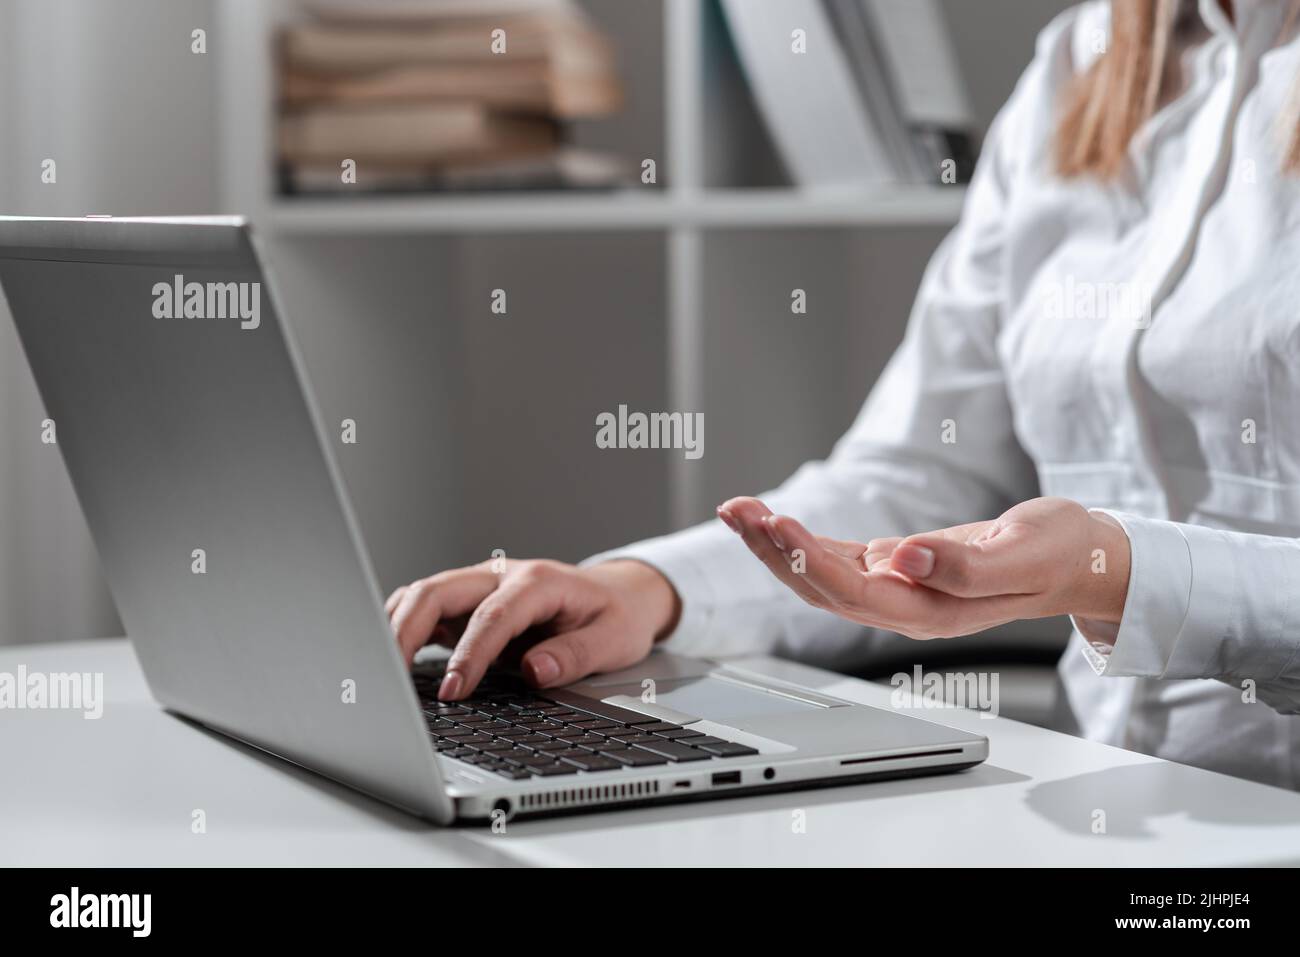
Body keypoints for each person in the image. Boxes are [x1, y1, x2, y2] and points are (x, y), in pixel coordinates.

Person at [386, 0, 1300, 790]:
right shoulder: (1081, 62)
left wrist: (1113, 567)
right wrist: (643, 590)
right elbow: (919, 468)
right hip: (1105, 805)